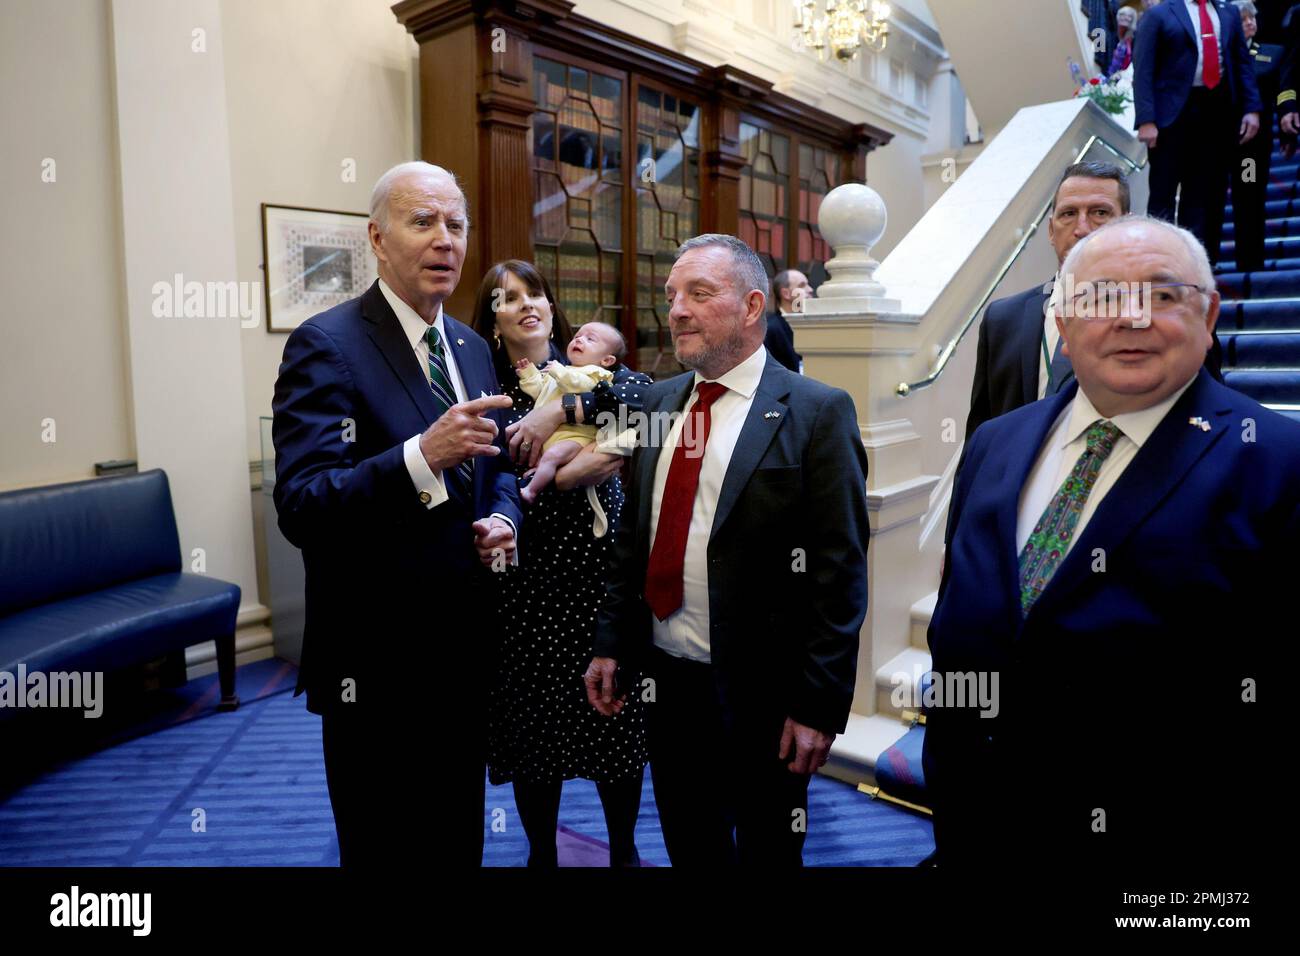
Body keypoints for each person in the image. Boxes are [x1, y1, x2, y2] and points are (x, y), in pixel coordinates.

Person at [925, 216, 1296, 868]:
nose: (1131, 317)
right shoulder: (995, 442)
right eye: (1099, 296)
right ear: (1063, 325)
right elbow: (965, 620)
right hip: (978, 825)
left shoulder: (1277, 462)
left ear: (1208, 315)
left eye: (1161, 294)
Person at [586, 234, 870, 866]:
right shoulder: (660, 402)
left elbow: (839, 570)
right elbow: (634, 538)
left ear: (750, 306)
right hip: (668, 685)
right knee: (691, 846)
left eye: (699, 293)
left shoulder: (817, 411)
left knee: (770, 853)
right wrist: (610, 641)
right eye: (671, 296)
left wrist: (819, 703)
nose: (677, 309)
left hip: (764, 695)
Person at [271, 162, 521, 869]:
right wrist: (420, 457)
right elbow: (304, 506)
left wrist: (505, 518)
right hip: (375, 665)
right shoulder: (327, 346)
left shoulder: (472, 346)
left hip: (466, 652)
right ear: (377, 240)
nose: (445, 240)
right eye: (424, 222)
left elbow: (497, 467)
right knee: (385, 845)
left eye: (456, 224)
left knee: (455, 839)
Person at [471, 260, 651, 868]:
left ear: (551, 306)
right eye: (507, 298)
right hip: (529, 579)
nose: (526, 304)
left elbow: (645, 407)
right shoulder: (487, 387)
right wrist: (577, 465)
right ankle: (541, 855)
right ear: (492, 321)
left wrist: (559, 414)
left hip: (604, 571)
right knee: (536, 727)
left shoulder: (592, 369)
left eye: (535, 293)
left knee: (614, 718)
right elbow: (492, 476)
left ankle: (624, 853)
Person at [964, 163, 1130, 443]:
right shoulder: (1002, 320)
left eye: (1100, 213)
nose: (1082, 228)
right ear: (1051, 231)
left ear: (1129, 224)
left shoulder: (1164, 314)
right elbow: (980, 439)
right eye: (1068, 214)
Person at [1134, 0, 1262, 266]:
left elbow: (1242, 64)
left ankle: (1197, 268)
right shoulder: (1160, 13)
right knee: (1163, 194)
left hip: (1216, 115)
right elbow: (1143, 69)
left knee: (1202, 195)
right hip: (1171, 117)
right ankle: (1160, 265)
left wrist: (1252, 108)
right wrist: (1146, 119)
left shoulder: (1228, 13)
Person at [511, 321, 629, 512]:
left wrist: (558, 371)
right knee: (546, 457)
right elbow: (540, 393)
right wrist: (529, 375)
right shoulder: (563, 370)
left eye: (590, 339)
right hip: (555, 435)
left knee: (552, 456)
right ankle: (540, 473)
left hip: (576, 437)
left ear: (606, 360)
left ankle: (531, 491)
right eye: (577, 336)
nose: (579, 340)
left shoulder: (598, 374)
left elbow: (580, 386)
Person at [1232, 0, 1286, 271]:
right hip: (1218, 143)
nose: (1250, 22)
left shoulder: (1270, 54)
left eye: (1251, 18)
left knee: (1249, 198)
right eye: (1243, 19)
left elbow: (1281, 94)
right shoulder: (1222, 57)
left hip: (1250, 148)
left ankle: (1250, 260)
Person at [764, 269, 809, 373]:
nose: (810, 289)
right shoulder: (771, 329)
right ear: (786, 293)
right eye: (802, 286)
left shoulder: (810, 325)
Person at [1110, 4, 1138, 72]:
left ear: (1132, 20)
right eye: (1122, 14)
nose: (1125, 17)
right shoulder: (1113, 37)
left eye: (1129, 16)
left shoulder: (1133, 38)